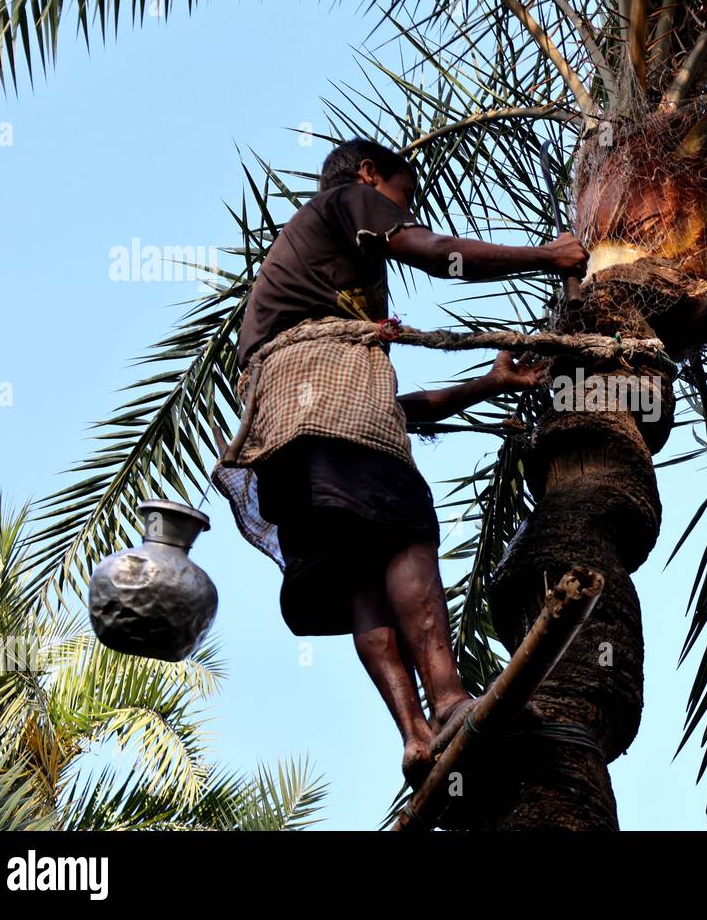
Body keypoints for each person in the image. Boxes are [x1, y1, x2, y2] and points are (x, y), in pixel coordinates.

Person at [219, 137, 589, 785]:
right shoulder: (348, 199)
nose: (399, 213)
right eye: (401, 197)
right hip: (322, 414)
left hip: (286, 436)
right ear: (370, 176)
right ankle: (447, 701)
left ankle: (415, 737)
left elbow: (399, 410)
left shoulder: (317, 302)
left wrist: (489, 385)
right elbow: (431, 252)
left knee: (361, 569)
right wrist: (546, 256)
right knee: (407, 533)